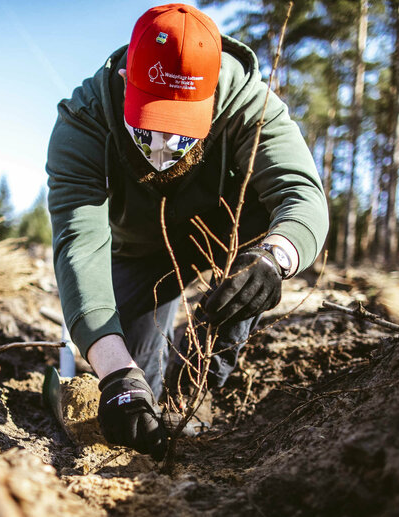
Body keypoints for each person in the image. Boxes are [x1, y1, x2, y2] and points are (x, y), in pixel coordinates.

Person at [46, 3, 328, 461]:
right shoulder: (86, 117)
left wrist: (275, 258)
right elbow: (80, 244)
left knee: (236, 299)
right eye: (147, 128)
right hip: (139, 250)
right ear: (124, 83)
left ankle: (191, 398)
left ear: (211, 96)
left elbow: (300, 193)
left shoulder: (249, 105)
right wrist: (116, 374)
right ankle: (150, 392)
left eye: (179, 134)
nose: (161, 152)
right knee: (135, 385)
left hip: (232, 240)